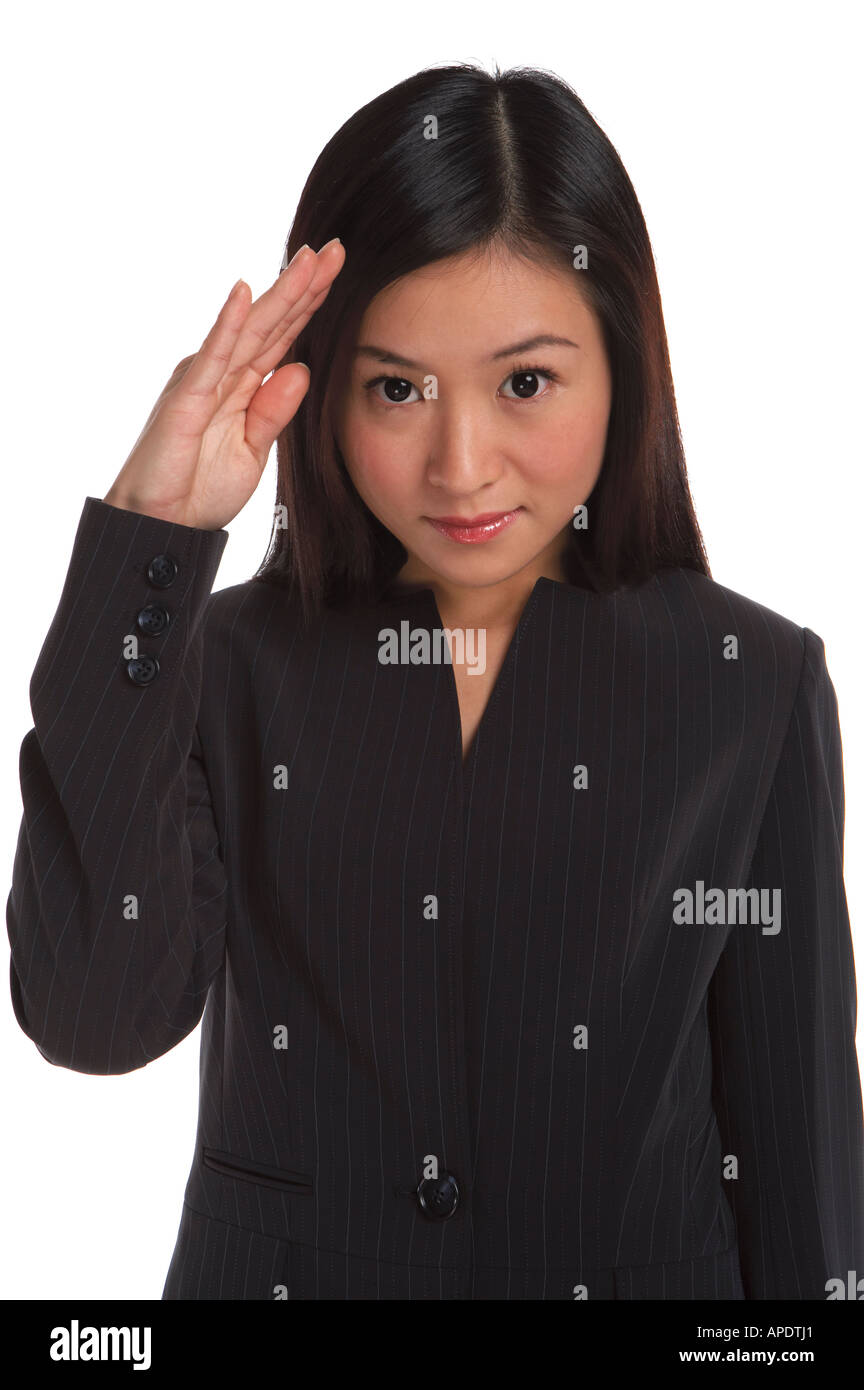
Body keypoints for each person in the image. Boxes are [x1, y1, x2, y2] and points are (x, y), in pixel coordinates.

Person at [6, 61, 864, 1301]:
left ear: (623, 372)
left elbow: (799, 1166)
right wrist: (152, 543)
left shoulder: (754, 687)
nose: (461, 466)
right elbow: (91, 1016)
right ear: (320, 392)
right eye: (396, 388)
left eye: (526, 381)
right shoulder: (227, 665)